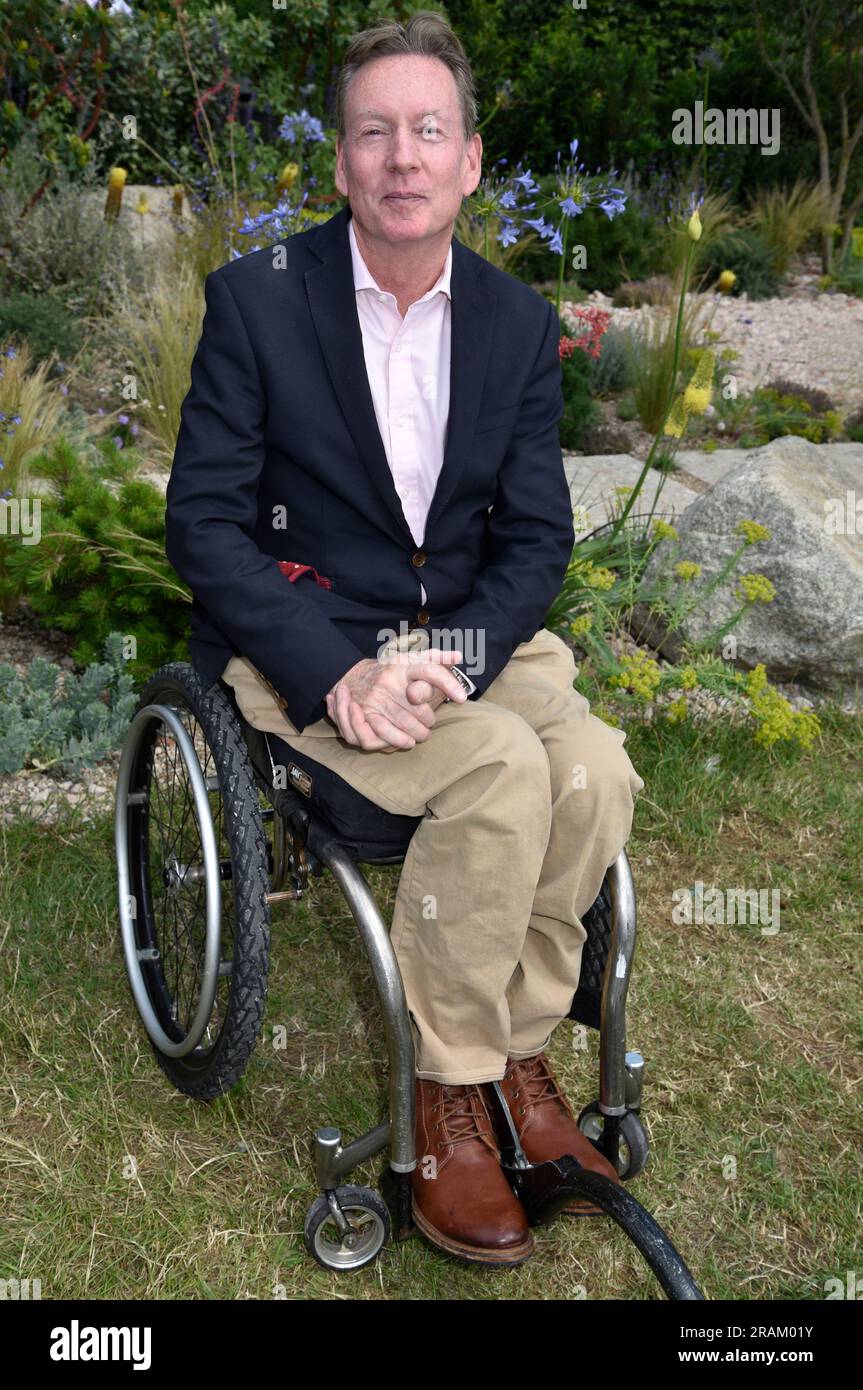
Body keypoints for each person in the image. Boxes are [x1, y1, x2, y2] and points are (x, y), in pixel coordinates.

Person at [165, 10, 644, 1268]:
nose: (400, 157)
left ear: (470, 161)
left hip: (472, 639)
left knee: (591, 768)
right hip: (308, 641)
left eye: (427, 130)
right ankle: (443, 1100)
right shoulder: (257, 304)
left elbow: (536, 538)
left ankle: (521, 1057)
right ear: (338, 163)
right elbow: (206, 528)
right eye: (373, 132)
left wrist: (463, 658)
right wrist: (339, 671)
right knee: (500, 773)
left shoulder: (514, 321)